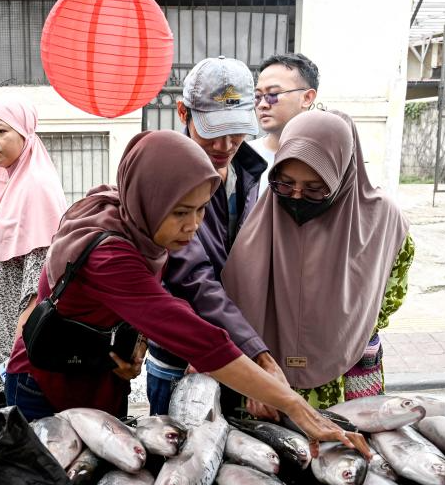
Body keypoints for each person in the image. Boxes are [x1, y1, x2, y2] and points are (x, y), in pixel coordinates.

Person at [6, 130, 369, 458]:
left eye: (201, 209)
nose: (193, 225)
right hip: (47, 384)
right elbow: (196, 337)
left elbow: (188, 293)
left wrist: (140, 343)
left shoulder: (131, 214)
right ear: (149, 197)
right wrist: (295, 406)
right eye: (181, 212)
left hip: (99, 372)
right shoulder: (111, 254)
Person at [223, 110, 415, 409]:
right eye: (285, 183)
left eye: (315, 189)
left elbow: (392, 293)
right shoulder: (262, 216)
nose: (296, 196)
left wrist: (347, 330)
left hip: (349, 372)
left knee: (349, 450)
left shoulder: (383, 220)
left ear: (342, 176)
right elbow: (235, 298)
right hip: (266, 381)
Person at [145, 55, 285, 419]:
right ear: (182, 112)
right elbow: (194, 279)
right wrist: (259, 357)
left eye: (236, 129)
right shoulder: (164, 179)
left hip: (234, 348)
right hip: (182, 359)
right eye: (212, 129)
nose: (225, 145)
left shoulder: (248, 174)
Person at [0, 97, 67, 410]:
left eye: (1, 131)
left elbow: (38, 283)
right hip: (5, 329)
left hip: (21, 337)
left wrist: (19, 347)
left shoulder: (35, 187)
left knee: (11, 419)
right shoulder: (6, 179)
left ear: (25, 134)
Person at [250, 53, 320, 196]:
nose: (262, 104)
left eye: (273, 94)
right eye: (257, 96)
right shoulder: (244, 156)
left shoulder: (324, 160)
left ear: (307, 98)